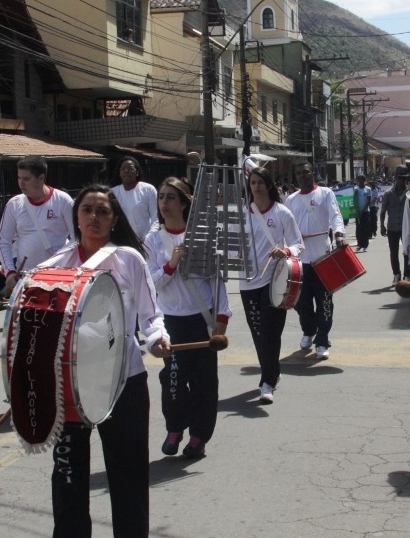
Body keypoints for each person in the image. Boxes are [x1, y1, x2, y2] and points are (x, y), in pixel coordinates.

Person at [44, 183, 168, 538]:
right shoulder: (56, 264)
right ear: (76, 216)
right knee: (67, 466)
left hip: (123, 377)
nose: (94, 217)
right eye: (87, 210)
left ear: (114, 219)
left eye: (102, 211)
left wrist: (158, 338)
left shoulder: (129, 258)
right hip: (72, 382)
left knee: (127, 463)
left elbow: (151, 314)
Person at [145, 178, 229, 459]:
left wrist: (221, 318)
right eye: (161, 197)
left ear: (183, 203)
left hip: (200, 319)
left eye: (170, 198)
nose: (164, 203)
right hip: (170, 320)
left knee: (204, 382)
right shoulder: (153, 239)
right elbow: (152, 284)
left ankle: (198, 436)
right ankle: (175, 428)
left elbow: (216, 281)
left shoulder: (203, 236)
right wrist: (171, 265)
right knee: (173, 379)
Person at [239, 167, 303, 404]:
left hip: (274, 281)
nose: (256, 187)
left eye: (260, 182)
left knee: (270, 332)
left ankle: (267, 381)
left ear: (268, 185)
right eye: (252, 182)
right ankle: (273, 372)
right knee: (258, 334)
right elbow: (235, 242)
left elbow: (298, 244)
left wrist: (285, 251)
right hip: (247, 283)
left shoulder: (282, 212)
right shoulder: (242, 213)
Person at [286, 162, 345, 360]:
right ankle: (309, 330)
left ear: (313, 173)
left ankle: (322, 340)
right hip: (300, 262)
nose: (302, 175)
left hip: (323, 258)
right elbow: (285, 227)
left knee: (325, 302)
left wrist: (338, 234)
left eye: (306, 172)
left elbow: (336, 215)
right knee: (301, 303)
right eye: (299, 173)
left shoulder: (326, 193)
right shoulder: (291, 200)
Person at [0, 156, 75, 296]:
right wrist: (9, 271)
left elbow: (77, 239)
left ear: (41, 178)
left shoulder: (63, 200)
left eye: (27, 179)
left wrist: (58, 258)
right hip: (26, 277)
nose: (21, 183)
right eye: (19, 178)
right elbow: (3, 241)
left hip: (58, 275)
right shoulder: (14, 204)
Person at [111, 156, 159, 241]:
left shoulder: (148, 189)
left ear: (137, 172)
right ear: (119, 173)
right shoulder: (113, 193)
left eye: (130, 168)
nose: (126, 171)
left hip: (147, 241)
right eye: (123, 169)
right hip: (123, 242)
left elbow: (156, 217)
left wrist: (150, 238)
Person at [379, 166, 410, 286]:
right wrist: (382, 225)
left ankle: (407, 275)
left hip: (406, 227)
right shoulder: (388, 193)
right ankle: (396, 274)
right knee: (394, 252)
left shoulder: (409, 193)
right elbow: (383, 211)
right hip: (392, 226)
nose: (402, 181)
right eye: (400, 178)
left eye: (404, 179)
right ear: (396, 178)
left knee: (407, 252)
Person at [353, 174, 372, 251]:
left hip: (365, 212)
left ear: (364, 181)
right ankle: (359, 244)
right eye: (359, 180)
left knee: (365, 228)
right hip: (357, 212)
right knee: (358, 228)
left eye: (362, 180)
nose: (360, 182)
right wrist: (357, 210)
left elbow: (369, 201)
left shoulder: (368, 189)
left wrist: (363, 210)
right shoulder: (355, 189)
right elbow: (354, 200)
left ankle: (365, 244)